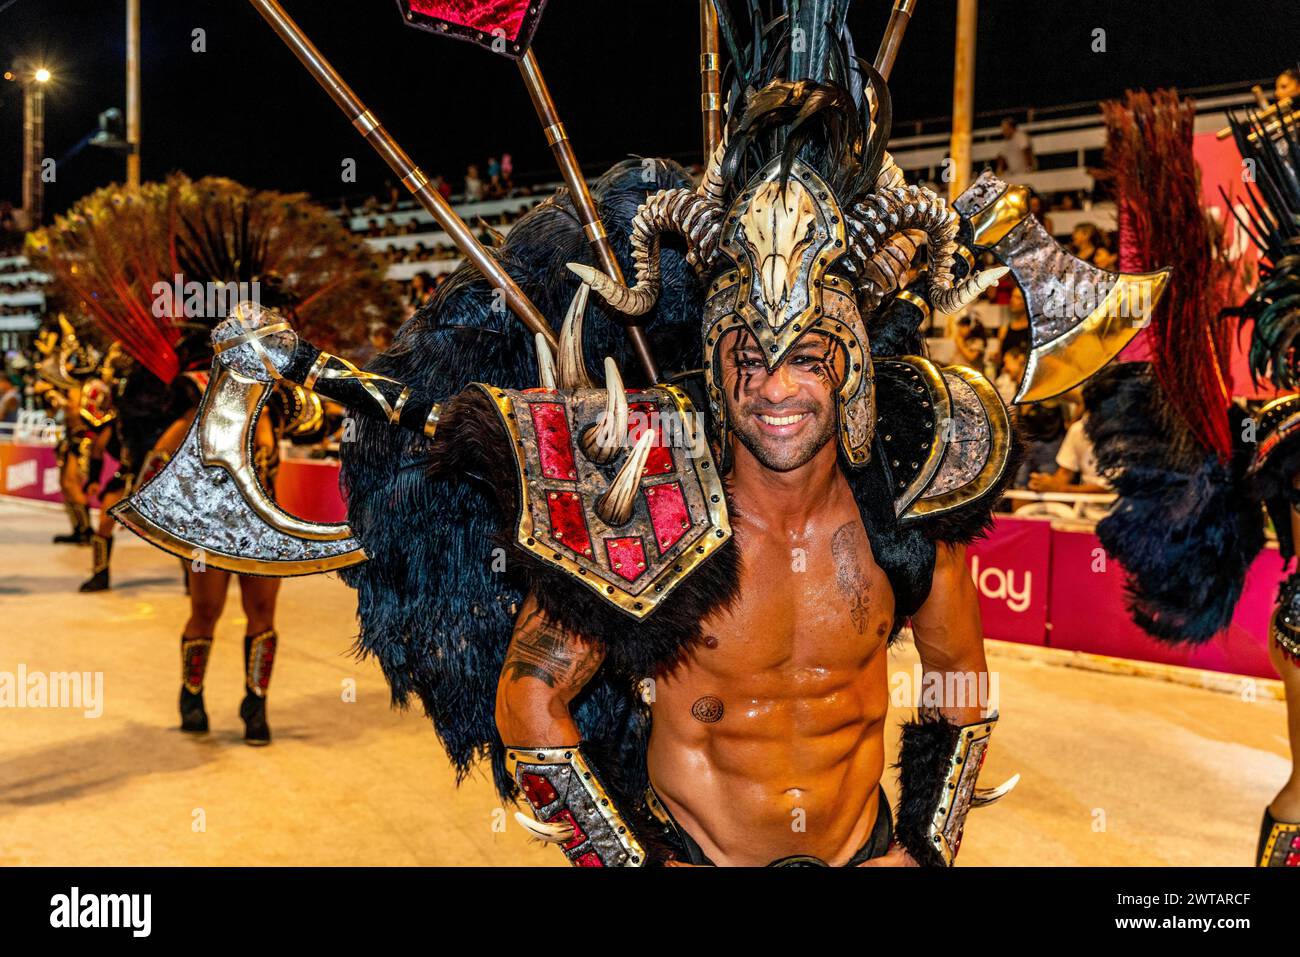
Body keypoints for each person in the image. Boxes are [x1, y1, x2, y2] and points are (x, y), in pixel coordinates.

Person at [132, 2, 1142, 868]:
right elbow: (531, 705)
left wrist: (922, 847)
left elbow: (958, 682)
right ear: (713, 345)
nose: (774, 387)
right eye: (747, 354)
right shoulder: (644, 494)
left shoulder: (912, 494)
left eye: (806, 357)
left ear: (855, 362)